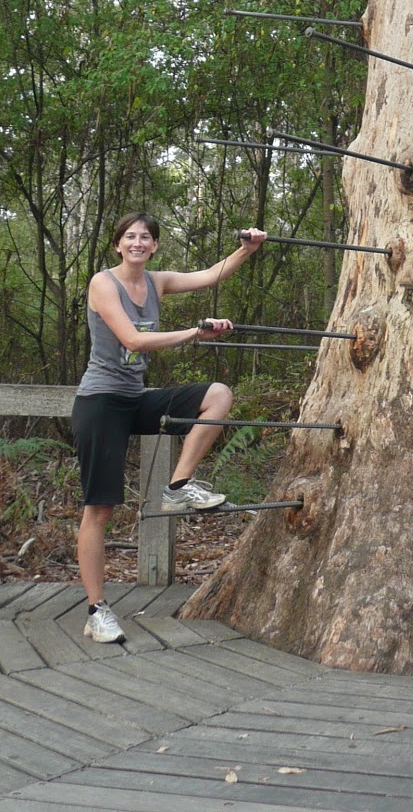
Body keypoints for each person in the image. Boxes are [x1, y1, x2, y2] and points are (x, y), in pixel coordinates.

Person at [71, 213, 266, 643]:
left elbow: (209, 276)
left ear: (155, 246)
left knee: (218, 395)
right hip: (100, 403)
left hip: (136, 398)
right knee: (99, 509)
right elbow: (134, 341)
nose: (138, 243)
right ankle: (96, 610)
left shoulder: (156, 282)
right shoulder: (103, 284)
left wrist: (246, 250)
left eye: (146, 238)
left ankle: (179, 485)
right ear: (117, 245)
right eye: (130, 237)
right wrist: (196, 333)